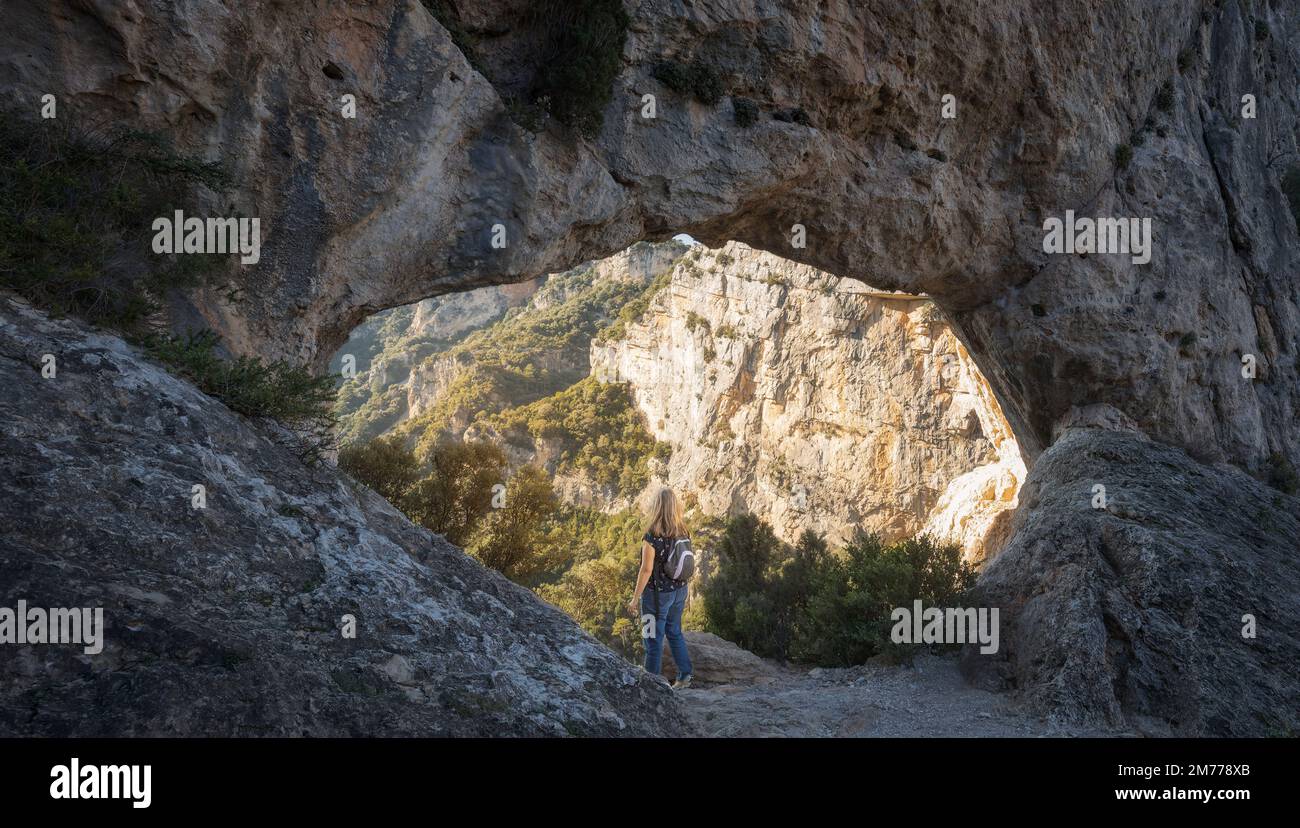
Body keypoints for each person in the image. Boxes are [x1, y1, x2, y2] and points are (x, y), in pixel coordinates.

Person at [627, 487, 694, 689]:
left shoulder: (652, 537)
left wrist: (634, 599)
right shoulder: (683, 530)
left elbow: (646, 570)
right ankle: (685, 676)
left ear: (656, 508)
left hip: (655, 598)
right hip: (680, 591)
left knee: (652, 640)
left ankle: (651, 684)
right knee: (674, 633)